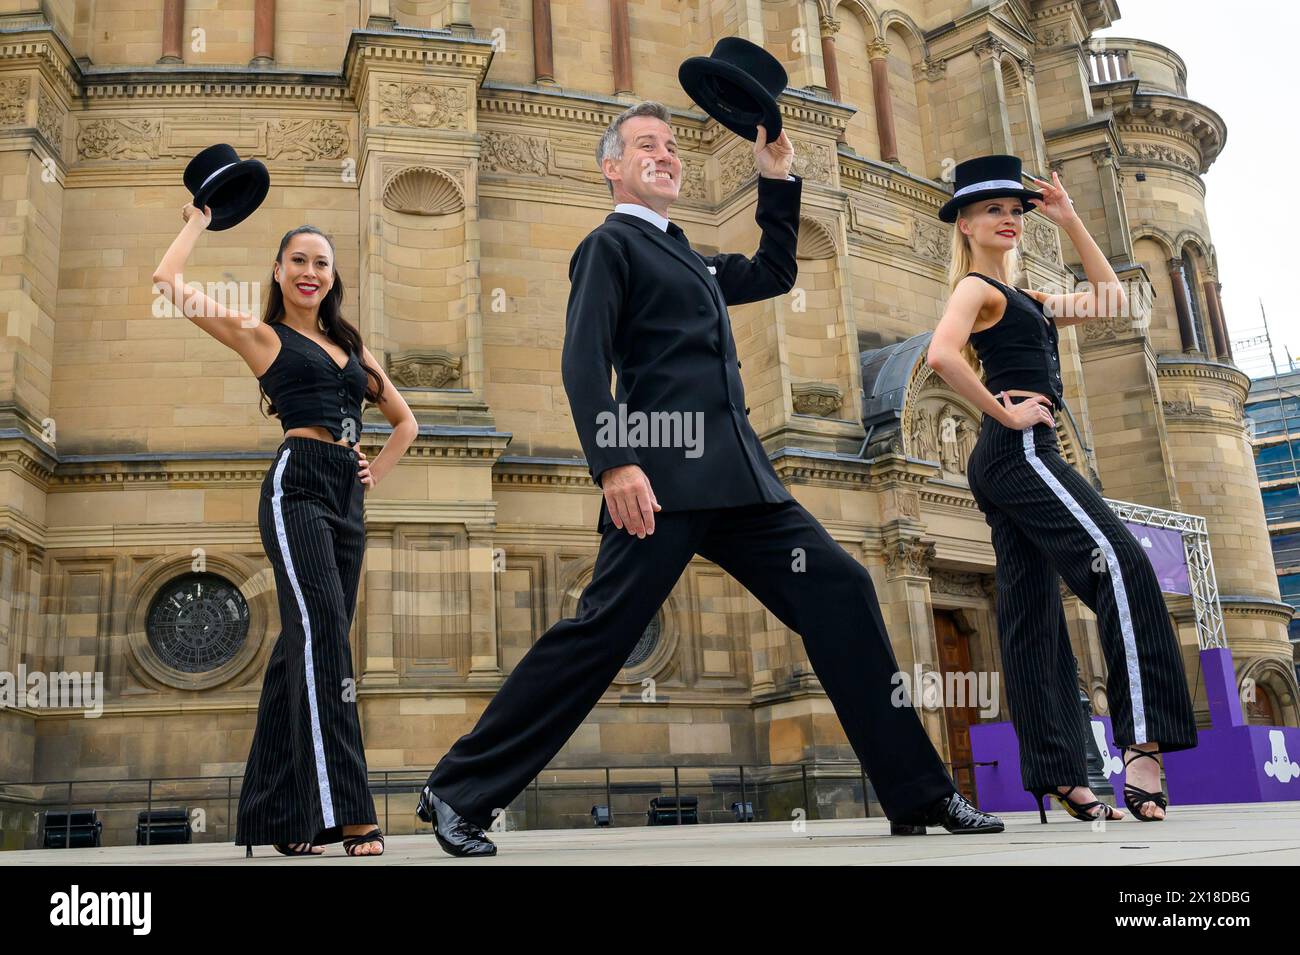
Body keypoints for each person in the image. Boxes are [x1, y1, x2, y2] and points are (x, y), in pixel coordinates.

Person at [415, 102, 1003, 857]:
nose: (664, 155)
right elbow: (582, 362)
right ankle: (457, 791)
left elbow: (775, 270)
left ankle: (919, 792)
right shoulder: (610, 246)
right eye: (644, 146)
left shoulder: (689, 255)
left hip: (741, 481)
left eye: (669, 145)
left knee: (844, 587)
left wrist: (777, 178)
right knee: (598, 635)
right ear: (613, 168)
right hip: (660, 478)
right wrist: (615, 460)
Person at [925, 154, 1198, 822]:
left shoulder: (1031, 299)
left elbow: (1113, 301)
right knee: (1121, 561)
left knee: (1029, 611)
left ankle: (1056, 772)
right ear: (965, 222)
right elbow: (940, 354)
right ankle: (1142, 741)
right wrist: (1004, 410)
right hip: (1018, 444)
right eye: (993, 210)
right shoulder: (974, 291)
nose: (1009, 220)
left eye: (1015, 210)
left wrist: (1071, 219)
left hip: (1014, 454)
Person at [152, 207, 419, 855]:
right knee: (325, 632)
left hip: (344, 496)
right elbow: (167, 280)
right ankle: (349, 813)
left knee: (299, 644)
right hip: (295, 485)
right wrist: (197, 220)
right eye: (297, 260)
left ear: (333, 277)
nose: (309, 271)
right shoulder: (259, 334)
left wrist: (371, 472)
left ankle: (278, 820)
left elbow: (406, 421)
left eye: (320, 262)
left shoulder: (352, 347)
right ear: (278, 270)